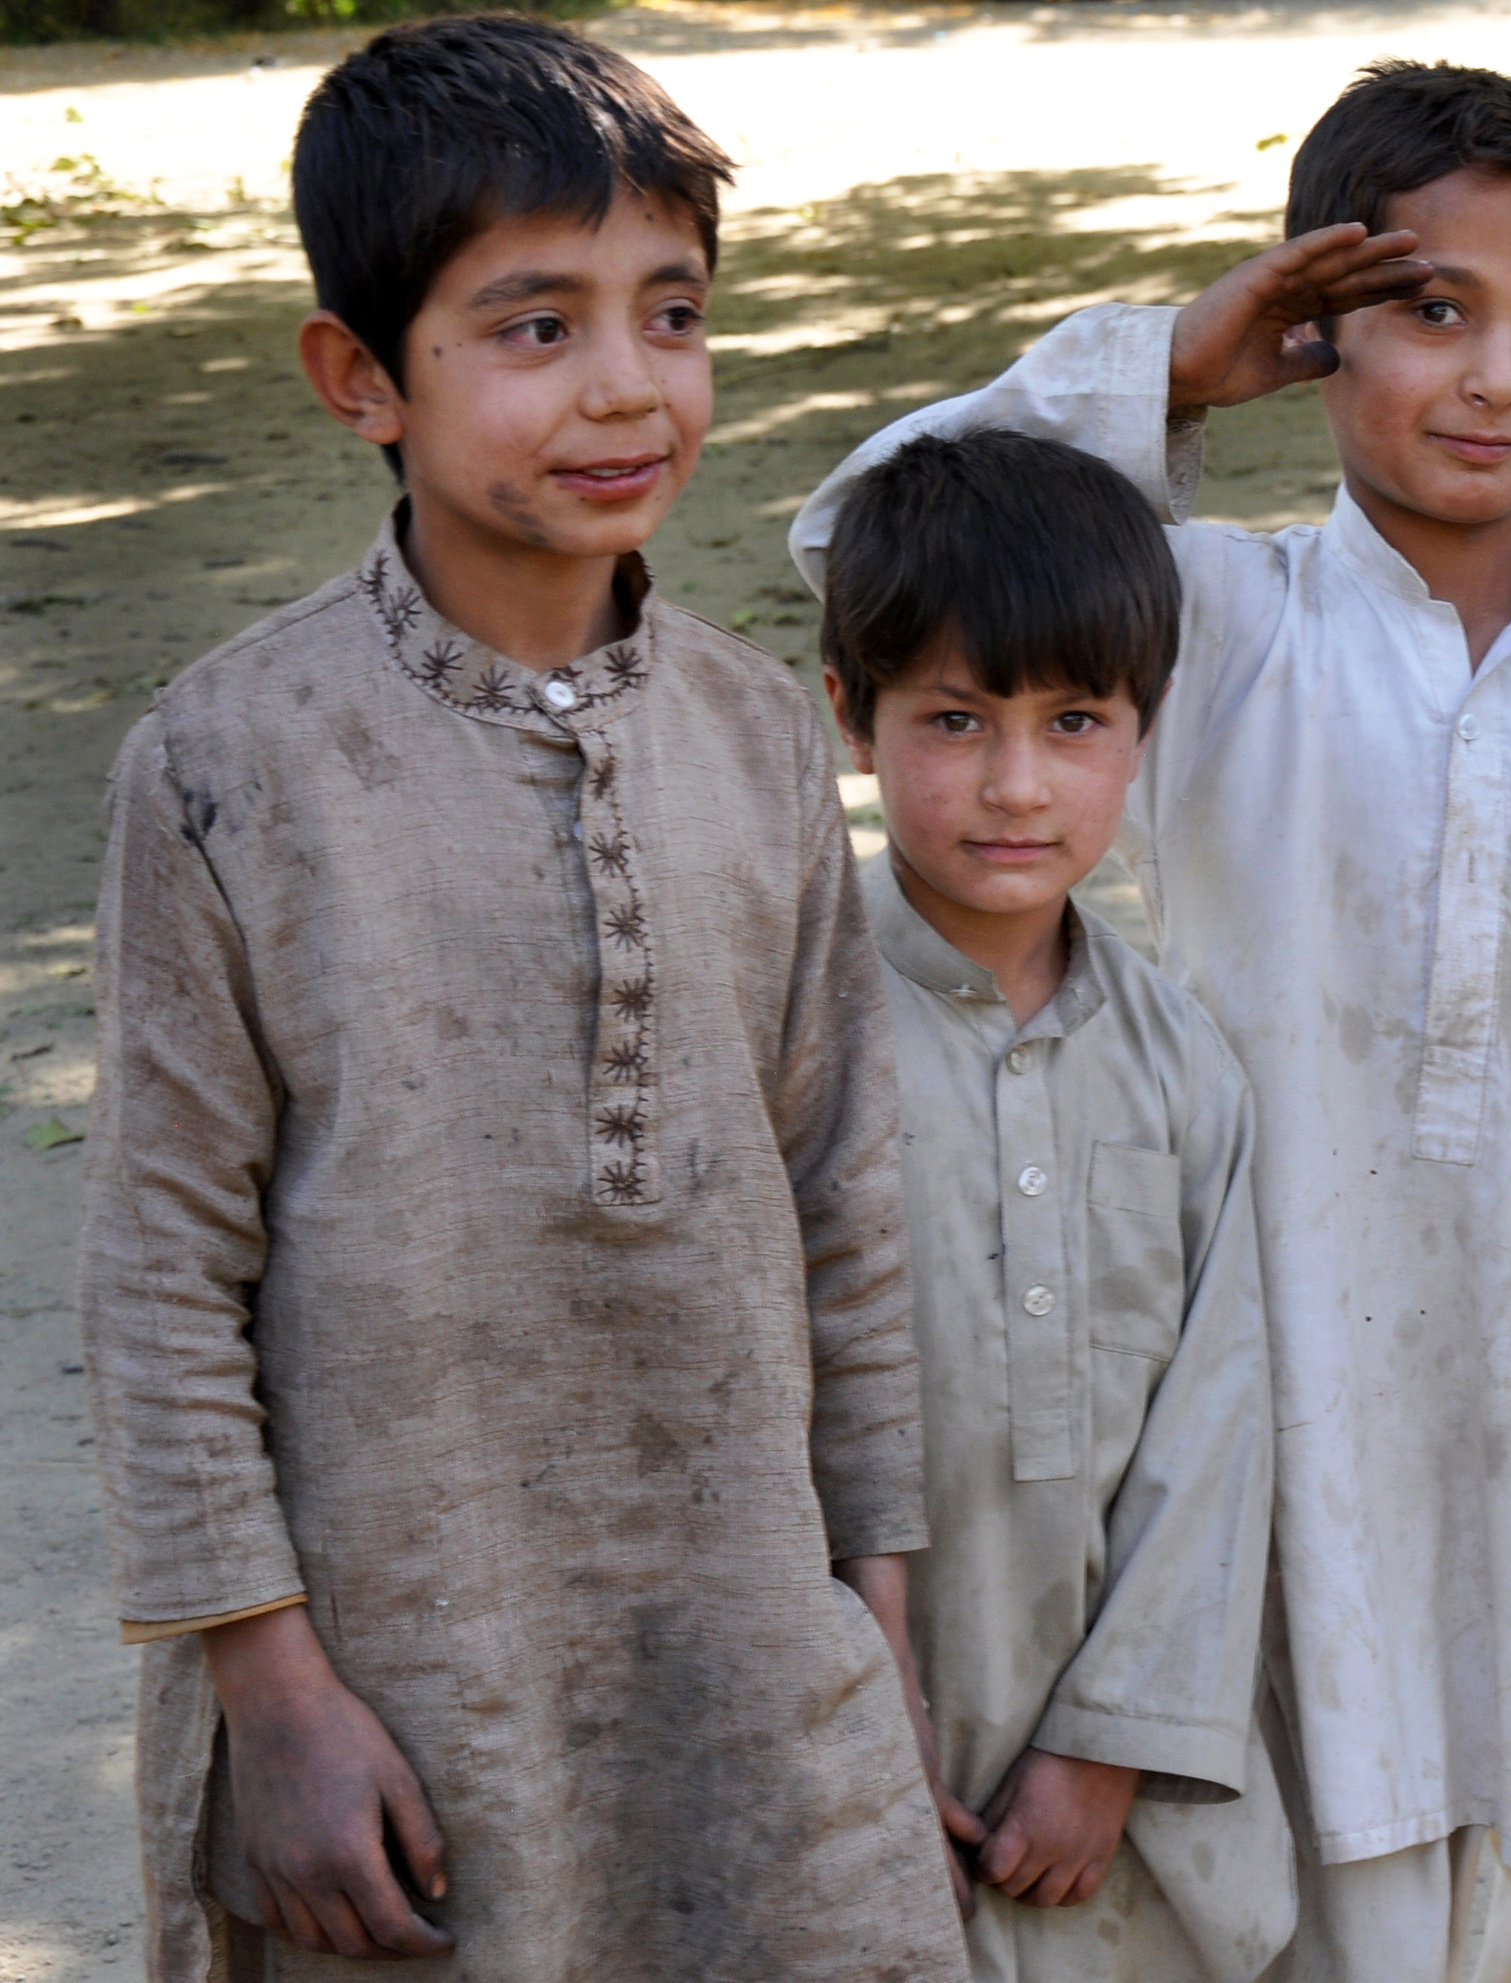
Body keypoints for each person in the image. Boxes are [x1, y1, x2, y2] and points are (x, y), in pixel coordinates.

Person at [792, 61, 1511, 1983]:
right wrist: (1173, 367)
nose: (1496, 377)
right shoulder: (1205, 628)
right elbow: (870, 536)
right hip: (1276, 1406)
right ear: (1321, 325)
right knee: (1313, 1865)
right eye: (1430, 309)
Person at [76, 17, 971, 1979]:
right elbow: (160, 1269)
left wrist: (876, 1622)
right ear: (360, 377)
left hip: (754, 1680)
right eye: (534, 325)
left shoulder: (753, 736)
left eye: (671, 311)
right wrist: (273, 1691)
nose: (626, 385)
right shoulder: (235, 759)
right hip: (404, 1706)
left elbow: (848, 1204)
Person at [815, 427, 1291, 1983]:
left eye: (1074, 720)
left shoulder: (1181, 1065)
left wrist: (1112, 1746)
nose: (1017, 787)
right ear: (854, 720)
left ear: (1142, 732)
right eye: (955, 720)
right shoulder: (783, 1031)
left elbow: (1218, 1433)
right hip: (830, 1750)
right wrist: (840, 1703)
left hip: (1107, 1812)